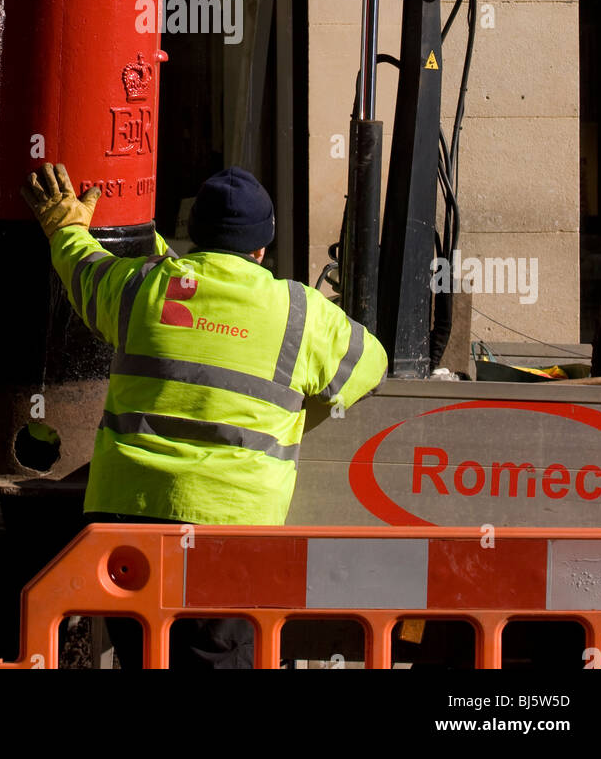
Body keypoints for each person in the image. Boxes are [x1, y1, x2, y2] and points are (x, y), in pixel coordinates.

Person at [21, 161, 387, 669]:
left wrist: (65, 227)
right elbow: (373, 364)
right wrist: (303, 406)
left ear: (194, 237)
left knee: (142, 656)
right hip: (233, 526)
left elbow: (83, 270)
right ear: (262, 248)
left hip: (130, 518)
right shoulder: (300, 313)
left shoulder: (141, 288)